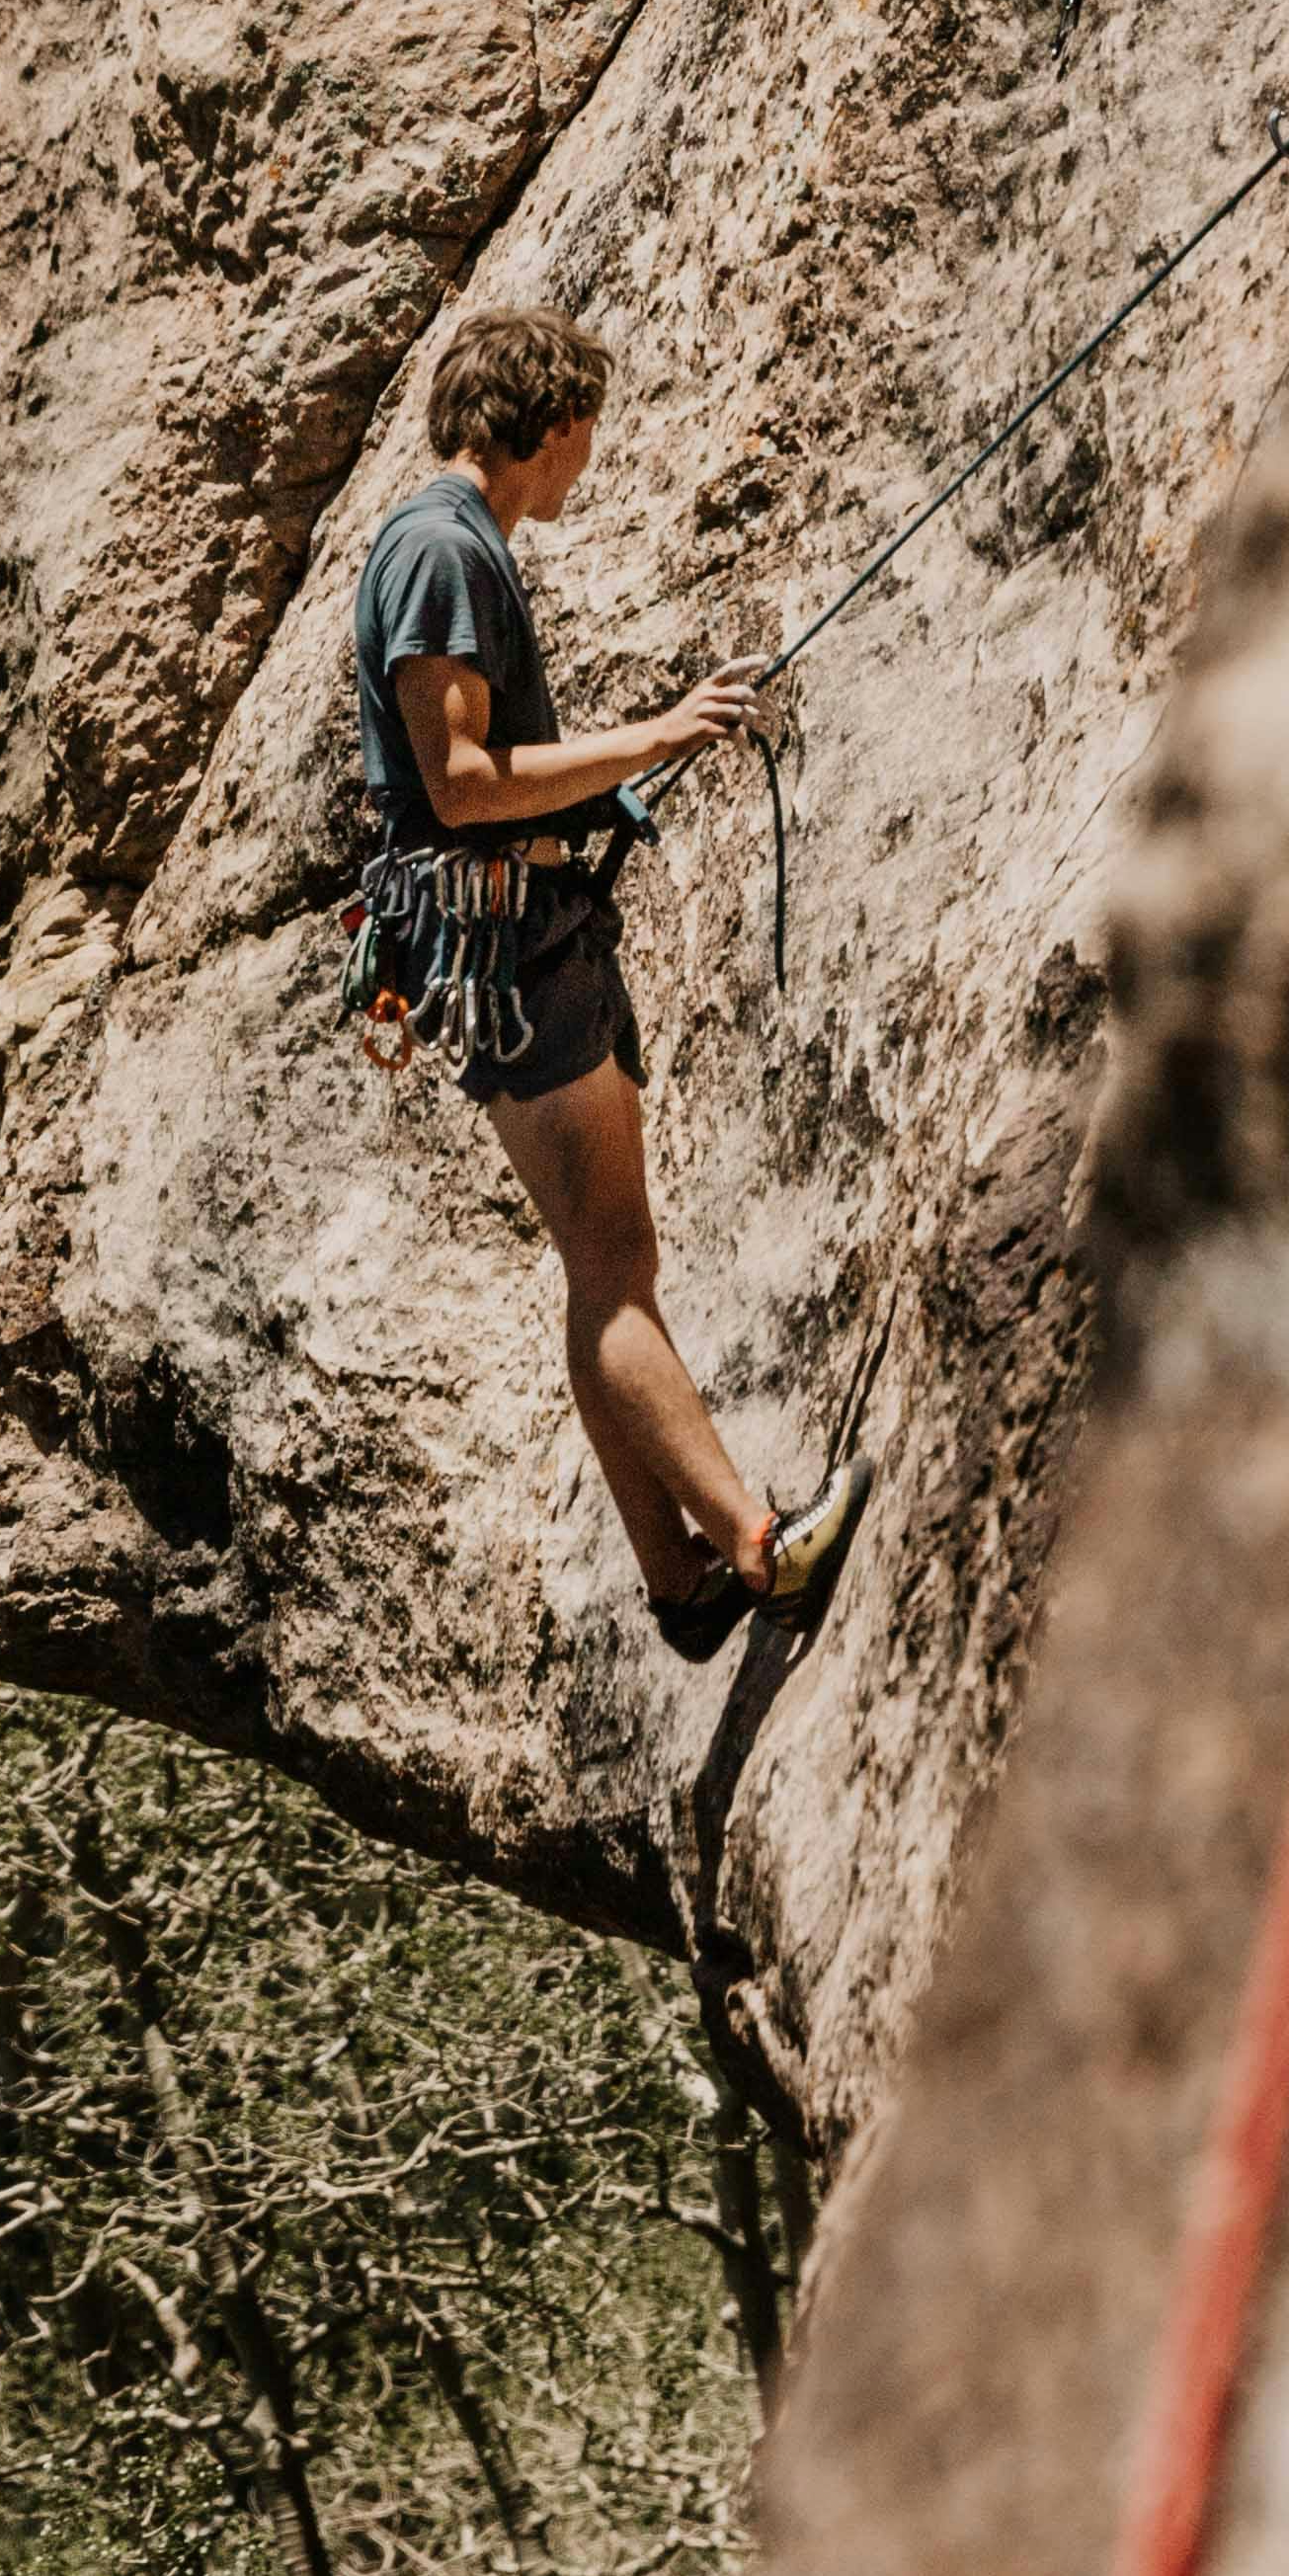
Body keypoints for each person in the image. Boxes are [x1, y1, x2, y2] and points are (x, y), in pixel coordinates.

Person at [355, 303, 867, 1662]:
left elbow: (470, 789)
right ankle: (758, 1546)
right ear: (553, 422)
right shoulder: (444, 550)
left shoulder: (453, 546)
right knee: (616, 1272)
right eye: (589, 431)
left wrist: (598, 803)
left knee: (601, 1271)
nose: (592, 459)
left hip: (505, 930)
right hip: (511, 948)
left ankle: (678, 1581)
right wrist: (660, 732)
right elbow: (460, 786)